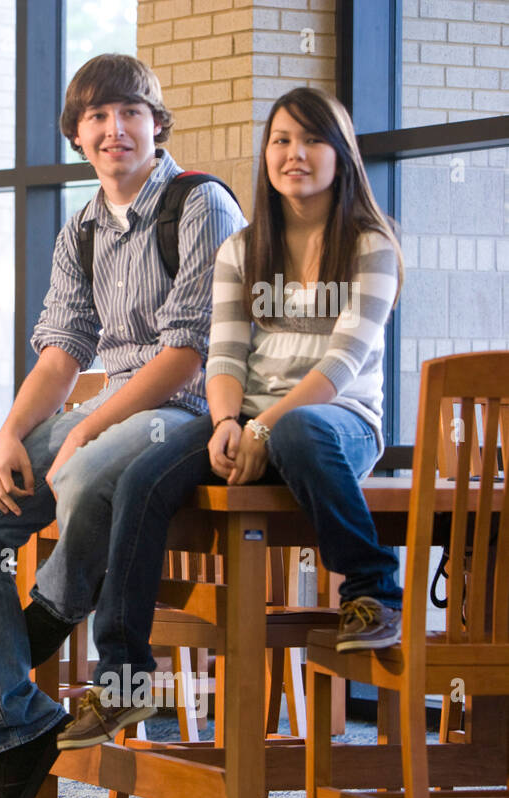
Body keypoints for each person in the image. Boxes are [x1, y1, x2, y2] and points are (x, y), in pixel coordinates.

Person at [0, 53, 245, 798]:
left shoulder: (201, 203)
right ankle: (16, 725)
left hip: (190, 412)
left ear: (156, 122)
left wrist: (91, 427)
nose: (114, 129)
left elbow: (189, 354)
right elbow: (63, 349)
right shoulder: (82, 227)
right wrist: (6, 438)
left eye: (129, 112)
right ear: (77, 133)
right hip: (111, 403)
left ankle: (49, 616)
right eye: (97, 117)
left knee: (90, 466)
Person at [62, 87, 405, 752]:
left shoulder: (371, 245)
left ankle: (373, 591)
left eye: (310, 140)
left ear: (341, 155)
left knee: (304, 431)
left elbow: (340, 366)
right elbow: (223, 354)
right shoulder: (243, 250)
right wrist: (225, 423)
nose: (293, 154)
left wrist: (264, 426)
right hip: (243, 422)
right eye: (280, 140)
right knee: (142, 476)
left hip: (337, 423)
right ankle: (124, 675)